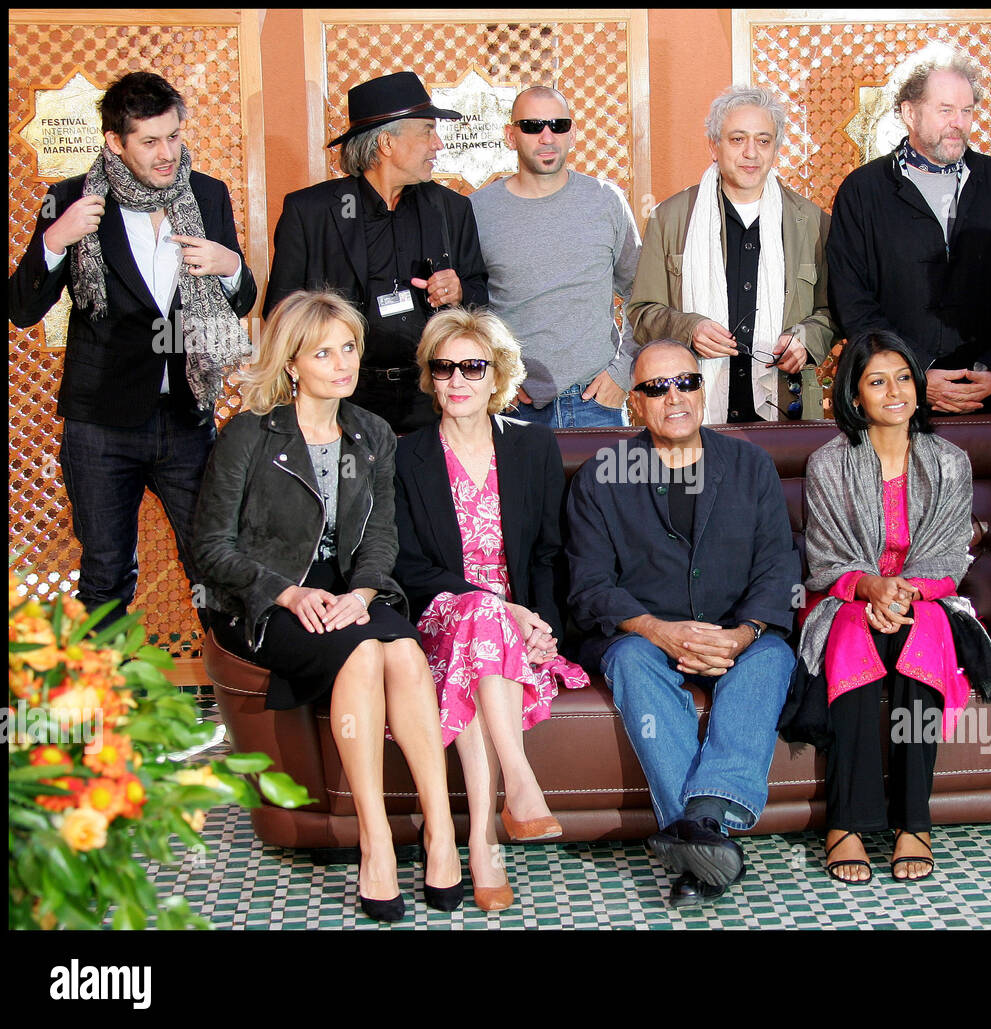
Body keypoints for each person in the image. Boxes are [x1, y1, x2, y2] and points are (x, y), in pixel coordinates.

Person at [191, 290, 463, 921]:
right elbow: (210, 548)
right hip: (268, 599)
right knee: (366, 654)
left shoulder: (371, 434)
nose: (343, 364)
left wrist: (363, 594)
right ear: (292, 362)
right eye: (324, 352)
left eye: (349, 348)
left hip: (350, 590)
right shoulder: (251, 435)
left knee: (401, 648)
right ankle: (376, 844)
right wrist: (288, 592)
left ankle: (441, 828)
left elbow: (381, 537)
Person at [8, 71, 256, 621]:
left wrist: (230, 266)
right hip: (101, 423)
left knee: (216, 567)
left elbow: (240, 300)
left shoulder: (208, 194)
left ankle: (236, 702)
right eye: (150, 141)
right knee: (105, 577)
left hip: (188, 417)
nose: (167, 153)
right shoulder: (70, 199)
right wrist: (56, 238)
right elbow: (22, 309)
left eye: (173, 136)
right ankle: (110, 707)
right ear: (114, 141)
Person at [566, 340, 799, 907]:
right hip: (645, 637)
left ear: (702, 389)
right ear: (635, 406)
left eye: (687, 382)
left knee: (773, 656)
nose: (675, 397)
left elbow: (778, 566)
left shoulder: (749, 464)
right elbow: (590, 586)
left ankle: (700, 824)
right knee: (628, 660)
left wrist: (742, 634)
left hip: (734, 634)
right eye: (655, 388)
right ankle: (705, 833)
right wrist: (659, 631)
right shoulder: (601, 476)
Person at [785, 332, 991, 885]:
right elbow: (826, 557)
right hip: (847, 596)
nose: (894, 391)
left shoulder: (951, 462)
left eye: (903, 377)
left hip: (926, 596)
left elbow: (950, 555)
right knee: (851, 637)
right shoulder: (828, 463)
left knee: (924, 630)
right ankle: (847, 825)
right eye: (877, 381)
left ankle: (915, 821)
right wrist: (869, 589)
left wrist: (901, 592)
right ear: (855, 396)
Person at [393, 307, 589, 912]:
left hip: (514, 630)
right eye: (443, 367)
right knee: (480, 618)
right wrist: (498, 609)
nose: (457, 380)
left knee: (485, 641)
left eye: (472, 366)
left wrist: (542, 623)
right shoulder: (404, 456)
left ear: (497, 374)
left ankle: (480, 844)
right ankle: (521, 787)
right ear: (429, 375)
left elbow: (550, 554)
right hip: (438, 619)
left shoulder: (531, 448)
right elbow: (406, 566)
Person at [263, 71, 489, 433]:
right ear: (386, 142)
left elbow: (481, 295)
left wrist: (460, 291)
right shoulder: (310, 212)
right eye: (428, 131)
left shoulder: (452, 209)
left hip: (432, 395)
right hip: (341, 399)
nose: (438, 145)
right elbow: (281, 312)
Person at [826, 44, 991, 414]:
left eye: (966, 110)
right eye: (945, 110)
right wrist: (914, 372)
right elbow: (851, 300)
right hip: (892, 404)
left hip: (982, 401)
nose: (958, 121)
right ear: (909, 112)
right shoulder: (863, 191)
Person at [627, 85, 835, 424]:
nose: (751, 153)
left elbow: (833, 311)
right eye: (738, 139)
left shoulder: (811, 221)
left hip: (784, 408)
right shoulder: (671, 218)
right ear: (714, 146)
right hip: (693, 410)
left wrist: (806, 340)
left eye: (763, 140)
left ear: (776, 149)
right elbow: (641, 312)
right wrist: (688, 330)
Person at [470, 86, 641, 427]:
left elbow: (643, 293)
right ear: (511, 135)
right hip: (513, 408)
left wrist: (622, 374)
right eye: (532, 126)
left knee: (605, 484)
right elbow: (469, 312)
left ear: (573, 133)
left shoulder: (606, 201)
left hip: (596, 402)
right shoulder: (477, 210)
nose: (547, 137)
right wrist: (494, 378)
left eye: (558, 125)